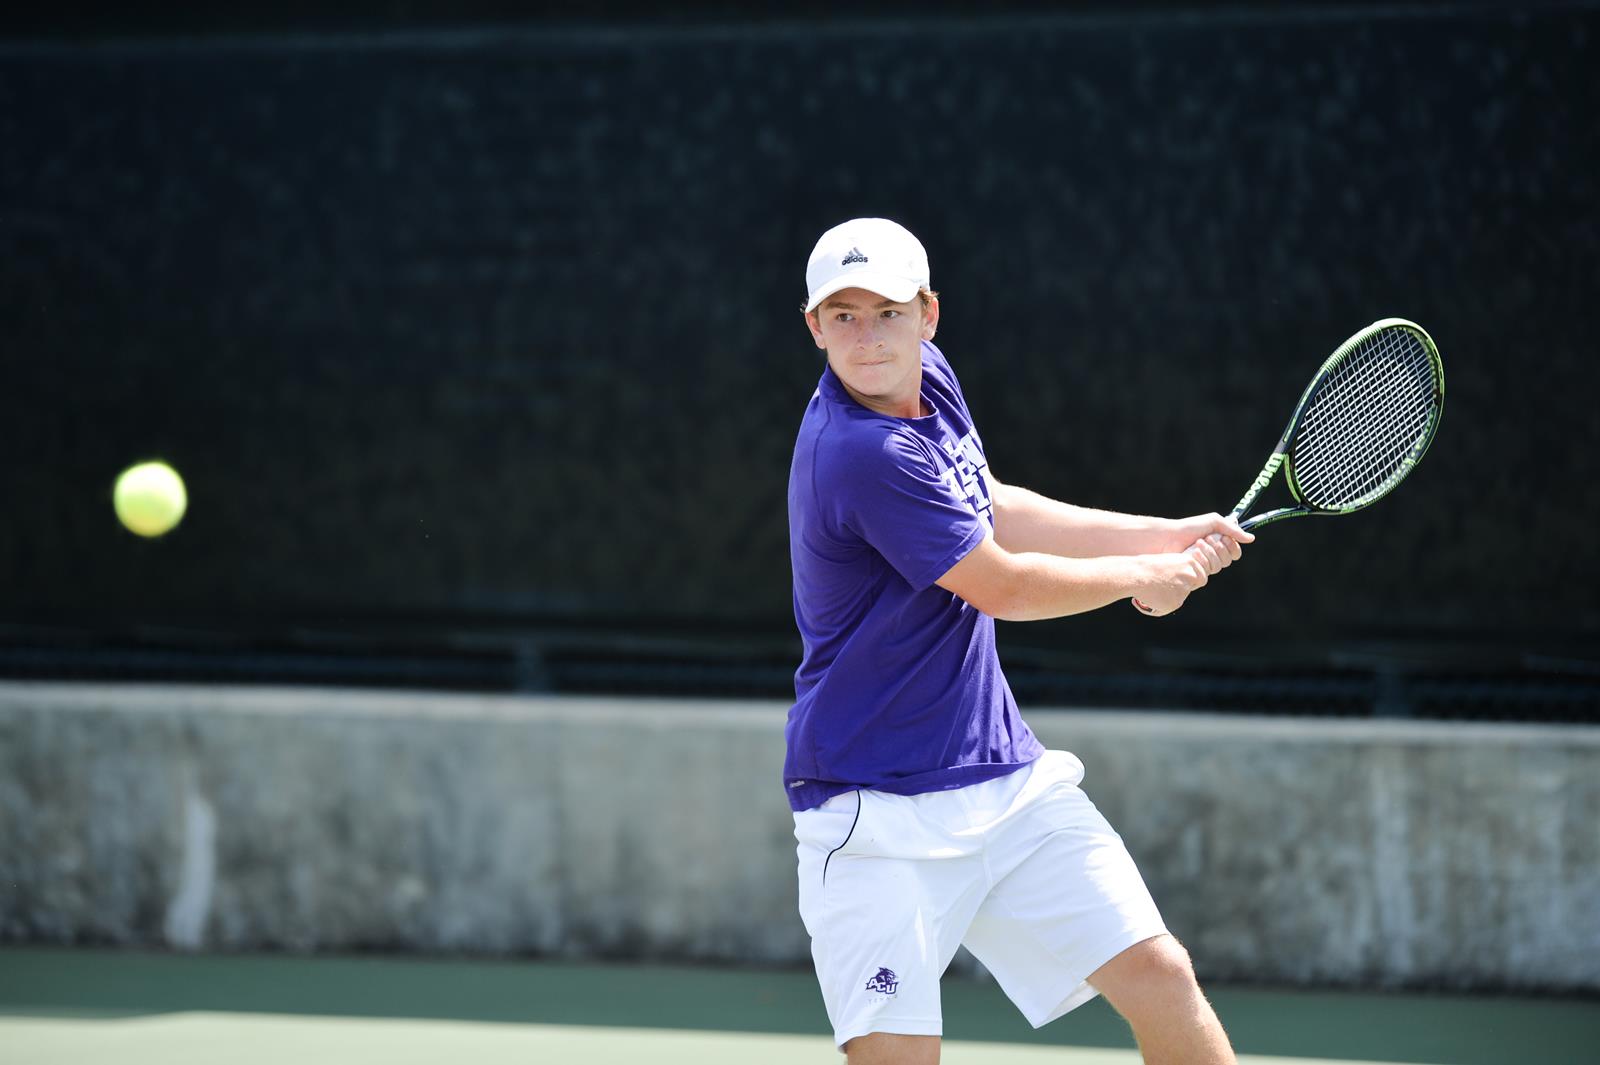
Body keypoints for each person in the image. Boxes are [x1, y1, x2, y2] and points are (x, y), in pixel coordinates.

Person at [785, 217, 1254, 1065]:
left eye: (887, 310)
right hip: (872, 812)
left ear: (928, 314)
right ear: (814, 327)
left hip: (1005, 783)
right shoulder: (862, 453)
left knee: (1163, 977)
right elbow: (1000, 582)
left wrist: (1160, 535)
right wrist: (1142, 581)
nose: (868, 335)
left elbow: (990, 503)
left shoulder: (928, 379)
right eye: (843, 315)